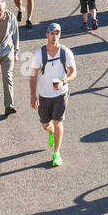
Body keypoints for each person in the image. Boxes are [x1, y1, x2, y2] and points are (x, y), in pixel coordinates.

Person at [30, 23, 76, 168]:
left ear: (59, 35)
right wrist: (33, 96)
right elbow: (33, 76)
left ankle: (56, 153)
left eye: (57, 33)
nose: (54, 36)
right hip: (44, 95)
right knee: (46, 124)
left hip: (61, 94)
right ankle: (51, 132)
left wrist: (64, 82)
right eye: (52, 33)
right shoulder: (39, 54)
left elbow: (73, 71)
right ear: (46, 35)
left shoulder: (65, 52)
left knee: (58, 122)